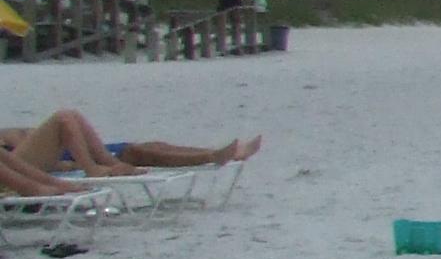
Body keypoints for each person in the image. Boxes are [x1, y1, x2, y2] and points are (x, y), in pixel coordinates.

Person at [6, 111, 264, 176]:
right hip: (65, 156)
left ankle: (225, 152)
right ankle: (210, 156)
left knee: (150, 145)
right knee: (140, 152)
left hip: (70, 149)